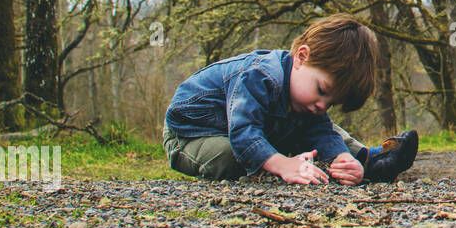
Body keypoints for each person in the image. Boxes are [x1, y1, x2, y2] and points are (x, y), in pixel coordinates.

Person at [163, 14, 418, 184]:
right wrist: (282, 164)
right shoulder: (259, 76)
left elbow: (321, 132)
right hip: (191, 135)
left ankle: (367, 160)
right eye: (321, 90)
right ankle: (275, 164)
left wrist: (341, 158)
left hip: (265, 129)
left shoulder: (305, 97)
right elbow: (243, 133)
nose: (322, 104)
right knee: (231, 157)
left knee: (324, 127)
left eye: (331, 102)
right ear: (301, 57)